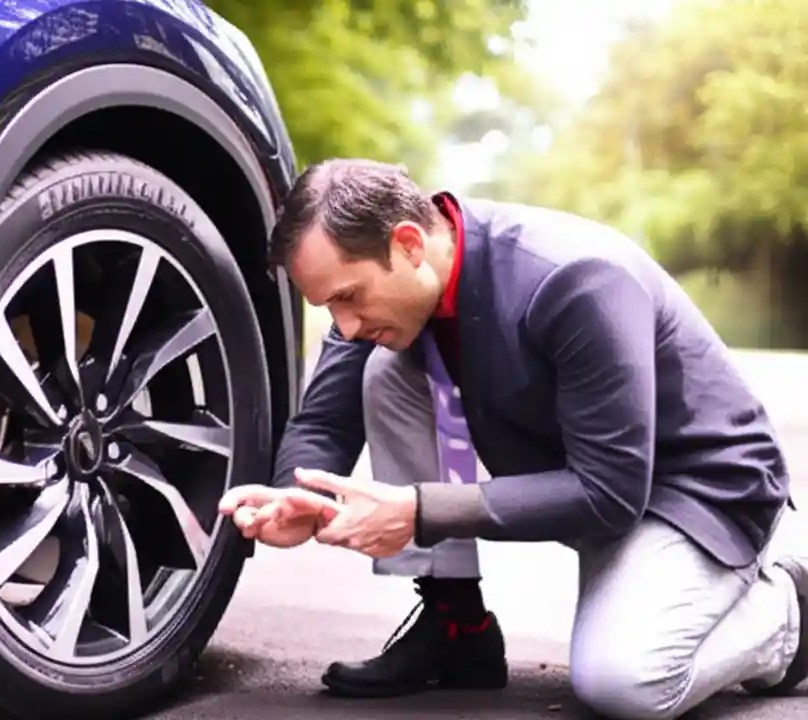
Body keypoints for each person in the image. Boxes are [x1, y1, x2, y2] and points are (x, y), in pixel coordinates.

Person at [219, 158, 807, 719]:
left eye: (348, 297)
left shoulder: (573, 279)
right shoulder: (386, 291)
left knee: (625, 682)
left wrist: (420, 512)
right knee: (385, 368)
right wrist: (297, 499)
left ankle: (789, 614)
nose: (344, 327)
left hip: (694, 493)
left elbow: (611, 493)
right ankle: (457, 628)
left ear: (407, 244)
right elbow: (324, 422)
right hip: (584, 483)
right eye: (328, 307)